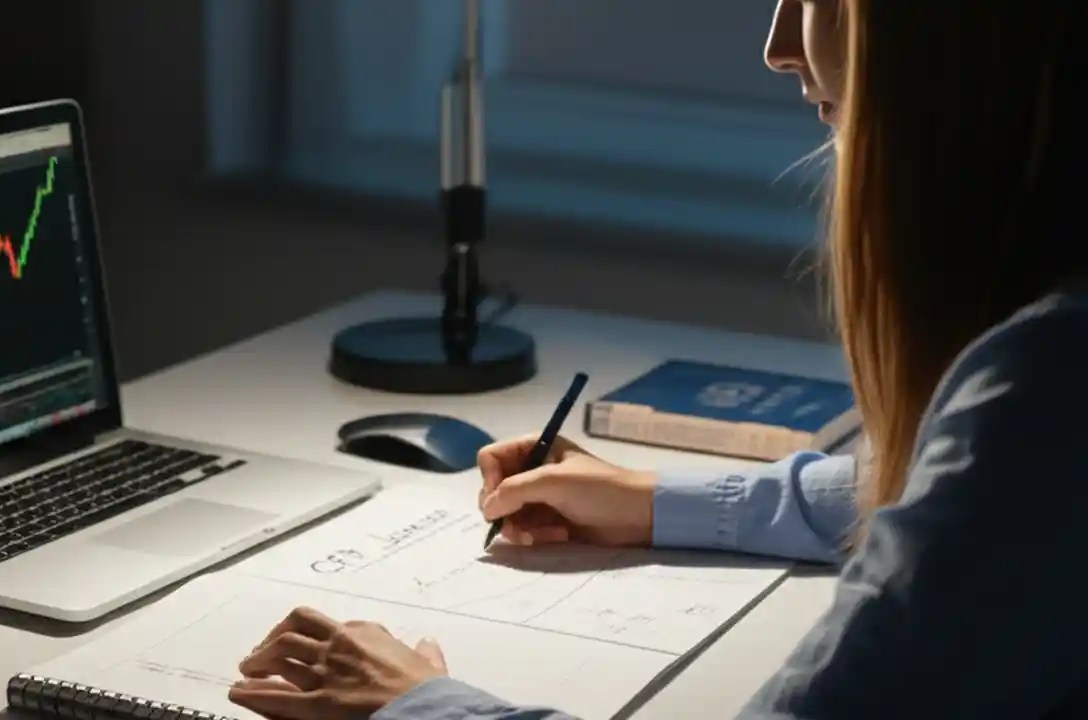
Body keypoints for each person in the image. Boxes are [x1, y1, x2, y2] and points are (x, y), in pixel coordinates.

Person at [227, 0, 1088, 717]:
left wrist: (413, 705)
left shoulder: (1047, 381)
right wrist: (652, 501)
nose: (778, 47)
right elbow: (955, 498)